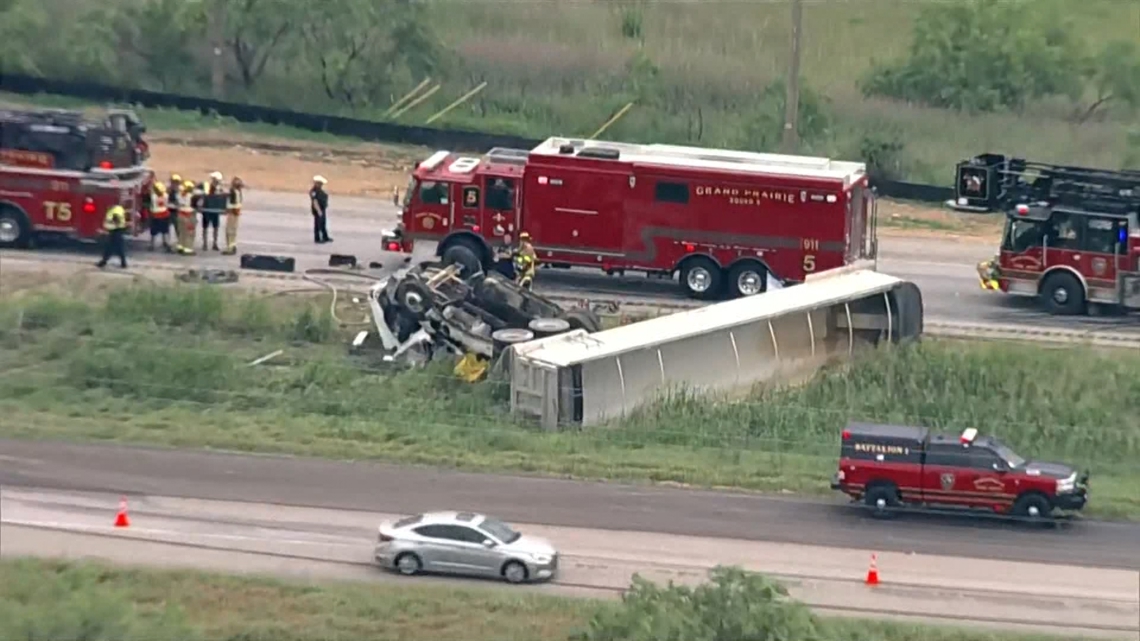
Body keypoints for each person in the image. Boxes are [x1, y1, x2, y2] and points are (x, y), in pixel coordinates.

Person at [96, 205, 129, 269]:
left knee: (113, 247)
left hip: (115, 231)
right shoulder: (117, 209)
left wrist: (109, 229)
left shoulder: (115, 210)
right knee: (115, 248)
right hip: (116, 231)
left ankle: (104, 262)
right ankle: (122, 263)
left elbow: (117, 220)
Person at [148, 180, 172, 252]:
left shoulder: (153, 197)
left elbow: (151, 196)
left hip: (156, 215)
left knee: (153, 232)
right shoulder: (166, 195)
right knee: (165, 231)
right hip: (164, 214)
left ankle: (152, 245)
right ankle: (166, 243)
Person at [223, 176, 244, 255]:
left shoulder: (233, 192)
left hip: (232, 213)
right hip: (235, 213)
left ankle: (230, 247)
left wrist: (228, 209)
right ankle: (232, 245)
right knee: (233, 231)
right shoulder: (238, 192)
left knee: (230, 231)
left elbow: (233, 204)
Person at [175, 180, 198, 255]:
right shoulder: (192, 196)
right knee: (190, 233)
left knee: (182, 232)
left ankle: (180, 246)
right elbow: (195, 205)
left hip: (180, 215)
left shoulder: (179, 195)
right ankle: (188, 249)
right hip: (189, 215)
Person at [309, 175, 332, 244]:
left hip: (322, 209)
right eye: (320, 183)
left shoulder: (320, 190)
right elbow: (315, 201)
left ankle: (325, 237)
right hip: (318, 210)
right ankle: (317, 239)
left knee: (323, 224)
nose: (321, 185)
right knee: (317, 225)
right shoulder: (313, 191)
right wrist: (319, 211)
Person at [167, 173, 182, 246]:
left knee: (178, 228)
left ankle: (180, 242)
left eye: (176, 182)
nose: (175, 183)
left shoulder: (180, 191)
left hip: (177, 212)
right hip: (169, 211)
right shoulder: (168, 190)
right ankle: (168, 243)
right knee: (168, 229)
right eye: (174, 182)